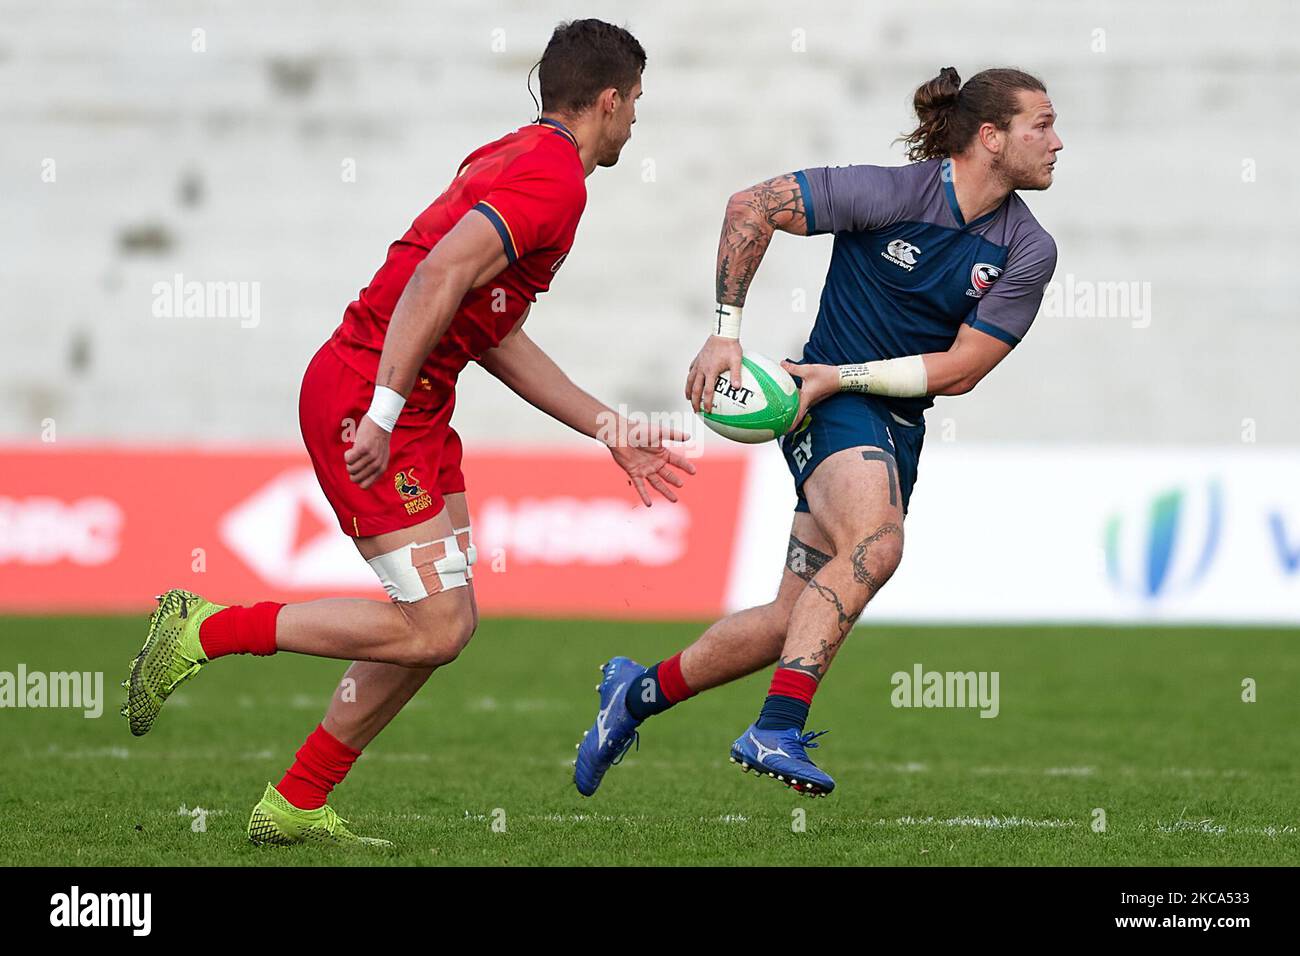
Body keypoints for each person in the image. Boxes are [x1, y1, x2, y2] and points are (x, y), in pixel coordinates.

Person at [123, 19, 692, 846]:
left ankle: (298, 801)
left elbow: (485, 327)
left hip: (415, 403)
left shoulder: (506, 155)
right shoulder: (553, 179)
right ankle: (202, 628)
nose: (637, 119)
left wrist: (606, 425)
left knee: (437, 629)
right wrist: (383, 412)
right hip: (370, 396)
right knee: (438, 624)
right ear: (608, 100)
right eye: (636, 101)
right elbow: (438, 273)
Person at [574, 66, 1061, 797]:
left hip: (881, 415)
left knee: (784, 621)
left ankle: (633, 698)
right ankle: (775, 727)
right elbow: (753, 205)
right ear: (990, 138)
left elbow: (962, 369)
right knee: (879, 543)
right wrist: (724, 336)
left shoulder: (1028, 248)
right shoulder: (892, 193)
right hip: (823, 405)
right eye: (1042, 126)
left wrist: (846, 378)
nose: (1058, 143)